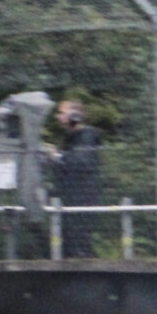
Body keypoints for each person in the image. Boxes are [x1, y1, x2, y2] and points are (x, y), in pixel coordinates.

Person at [50, 99, 104, 257]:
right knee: (68, 238)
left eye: (62, 113)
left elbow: (81, 161)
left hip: (83, 194)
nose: (58, 117)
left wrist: (58, 156)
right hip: (70, 194)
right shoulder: (70, 139)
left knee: (79, 238)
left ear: (74, 116)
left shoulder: (87, 135)